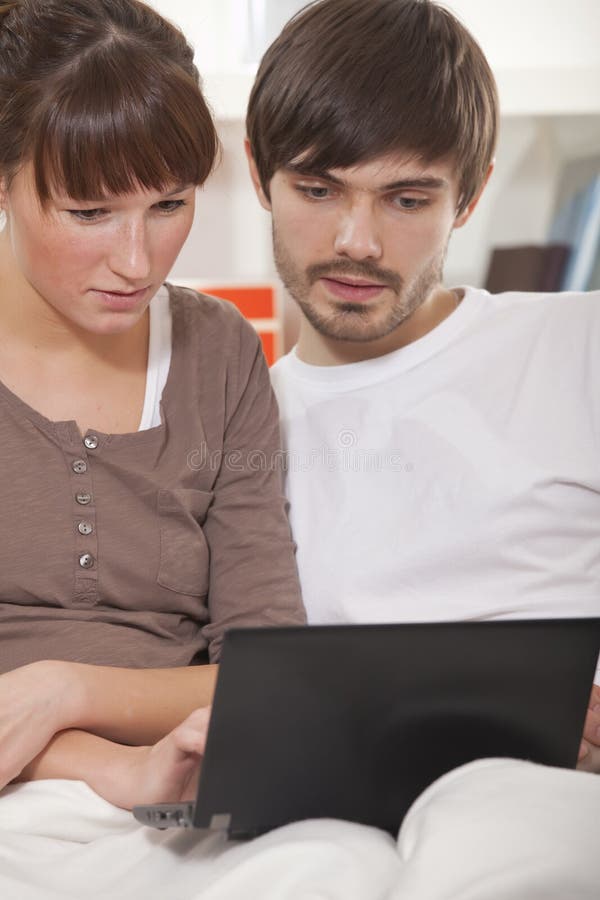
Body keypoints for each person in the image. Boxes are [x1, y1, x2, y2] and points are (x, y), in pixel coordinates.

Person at [243, 0, 600, 771]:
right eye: (318, 189)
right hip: (343, 809)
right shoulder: (241, 422)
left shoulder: (580, 346)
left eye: (407, 200)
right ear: (258, 176)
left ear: (468, 198)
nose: (356, 243)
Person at [0, 0, 305, 809]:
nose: (137, 262)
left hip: (191, 781)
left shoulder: (219, 352)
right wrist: (107, 769)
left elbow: (271, 666)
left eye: (169, 205)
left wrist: (67, 691)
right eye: (89, 212)